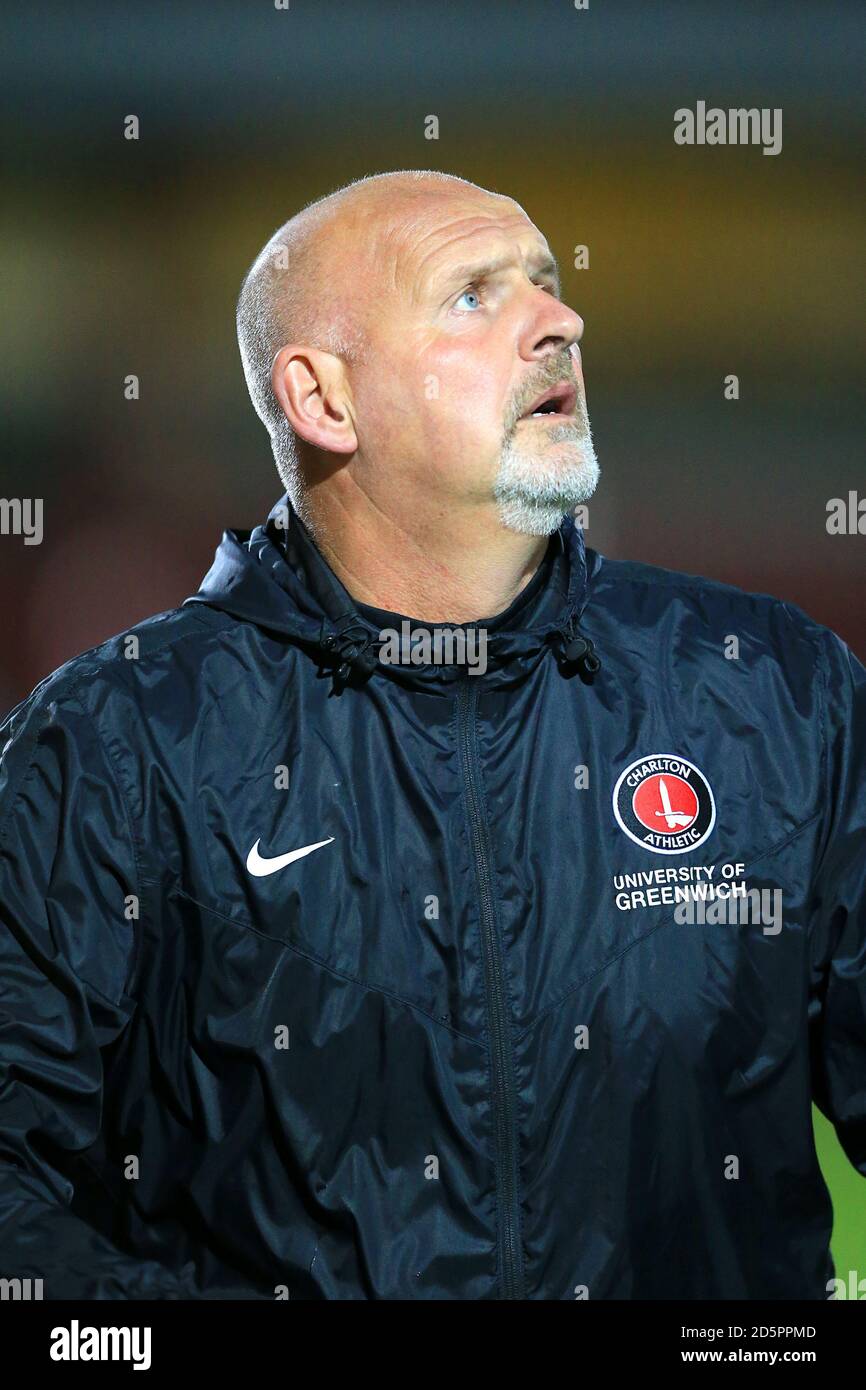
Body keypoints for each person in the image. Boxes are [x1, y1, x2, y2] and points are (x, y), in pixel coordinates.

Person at [0, 170, 863, 1300]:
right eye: (472, 295)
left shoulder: (776, 693)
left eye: (546, 286)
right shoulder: (113, 745)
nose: (560, 321)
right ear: (323, 401)